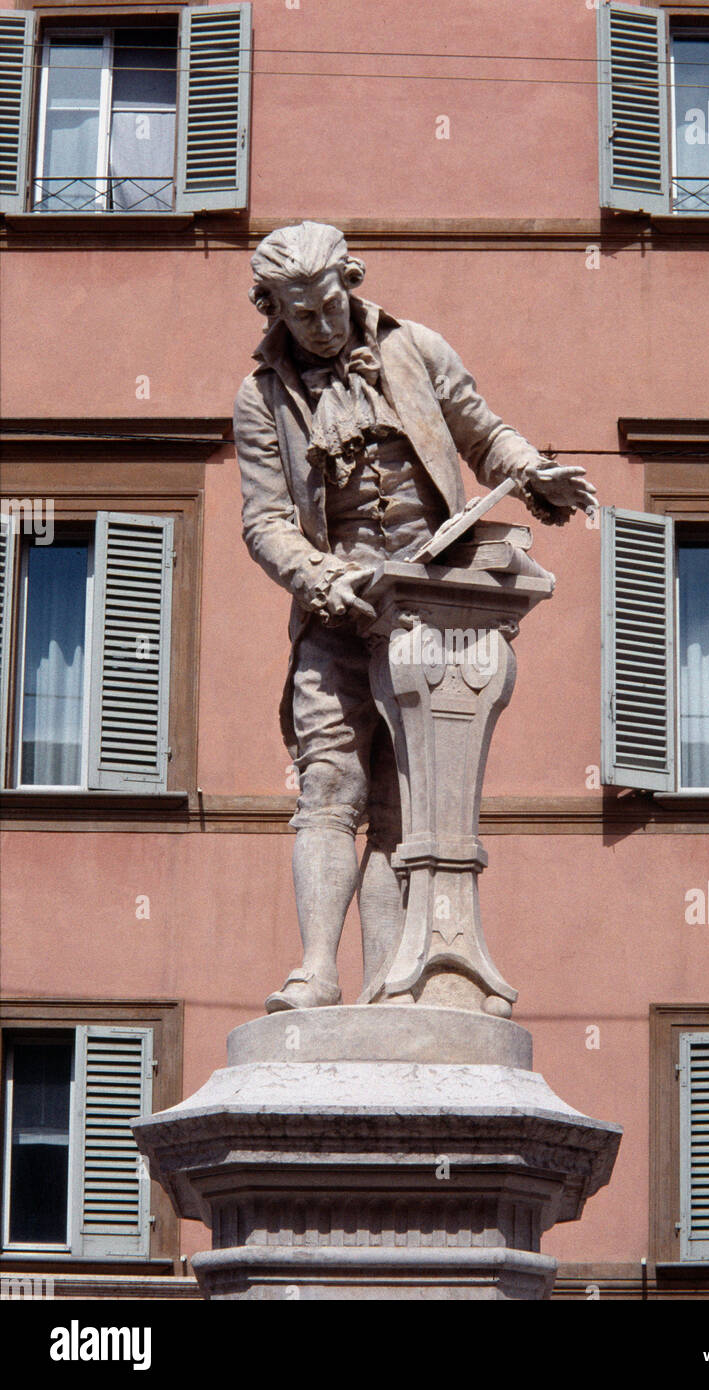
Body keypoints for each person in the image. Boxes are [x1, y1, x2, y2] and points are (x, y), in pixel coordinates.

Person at [234, 221, 597, 1010]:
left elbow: (482, 432)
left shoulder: (418, 349)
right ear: (275, 312)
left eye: (330, 305)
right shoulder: (261, 399)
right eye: (303, 315)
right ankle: (316, 972)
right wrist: (323, 577)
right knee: (329, 783)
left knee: (407, 807)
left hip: (430, 608)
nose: (323, 326)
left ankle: (392, 988)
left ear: (350, 285)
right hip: (336, 613)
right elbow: (265, 523)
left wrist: (534, 474)